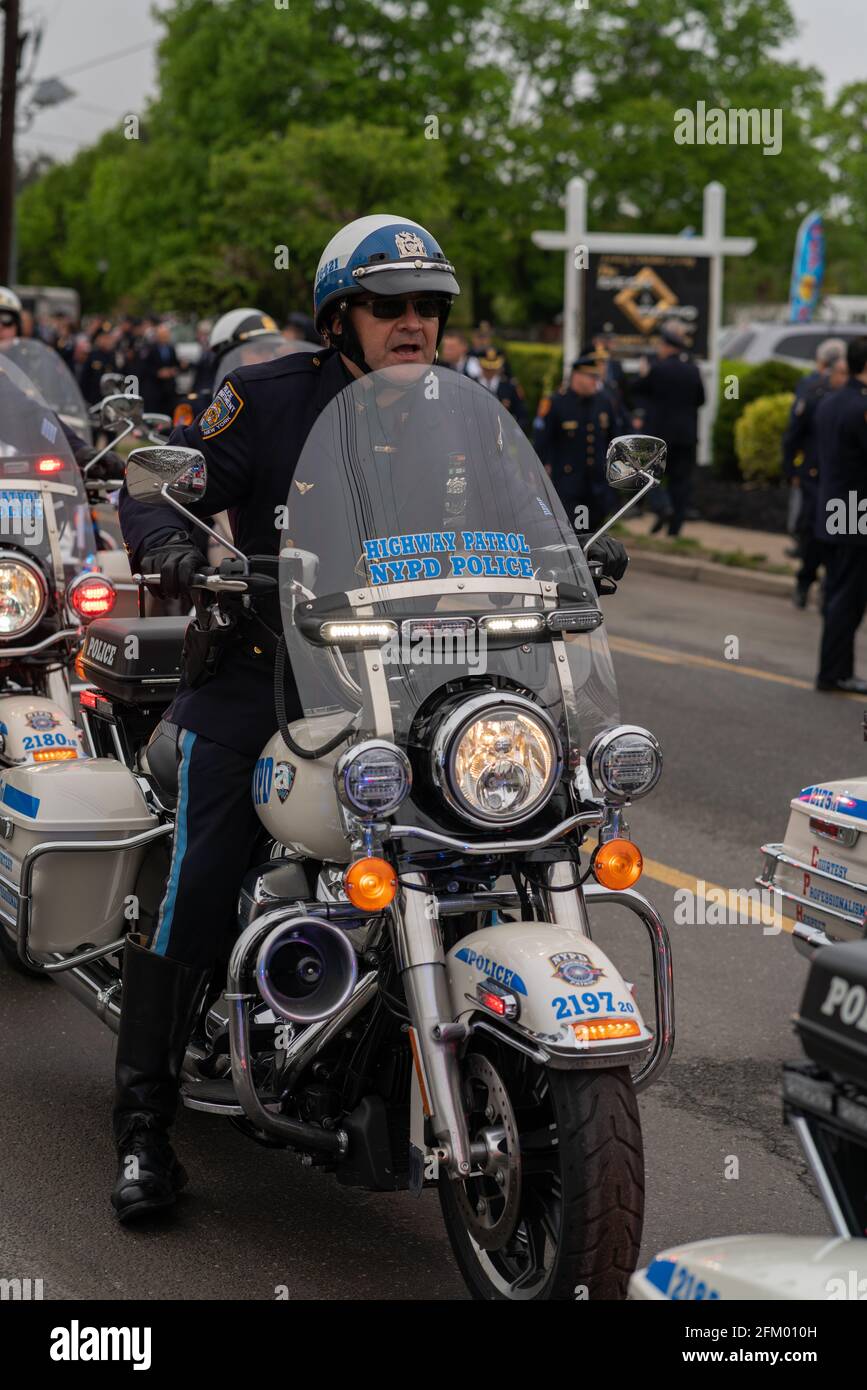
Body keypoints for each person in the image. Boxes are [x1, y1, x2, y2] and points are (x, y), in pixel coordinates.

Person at [113, 213, 627, 1224]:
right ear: (341, 314)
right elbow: (154, 478)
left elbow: (531, 512)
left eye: (428, 307)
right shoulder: (265, 396)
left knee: (507, 824)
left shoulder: (466, 411)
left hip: (424, 678)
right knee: (205, 871)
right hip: (270, 682)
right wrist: (168, 546)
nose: (414, 324)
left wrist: (577, 551)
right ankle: (142, 1124)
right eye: (390, 305)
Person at [815, 337, 867, 694]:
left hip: (835, 506)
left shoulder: (832, 400)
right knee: (848, 596)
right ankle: (834, 673)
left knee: (839, 590)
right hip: (856, 509)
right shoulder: (860, 406)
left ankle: (837, 670)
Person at [782, 338, 847, 608]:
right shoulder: (814, 391)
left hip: (843, 480)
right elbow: (794, 434)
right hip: (814, 473)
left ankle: (830, 588)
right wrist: (791, 469)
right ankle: (804, 582)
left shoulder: (853, 399)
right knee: (812, 533)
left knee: (840, 536)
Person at [537, 347, 627, 533]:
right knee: (577, 534)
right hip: (569, 484)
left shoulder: (603, 402)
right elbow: (542, 442)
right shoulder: (558, 403)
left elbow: (614, 439)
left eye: (597, 377)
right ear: (577, 377)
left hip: (597, 485)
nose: (596, 382)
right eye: (591, 377)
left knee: (595, 534)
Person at [633, 322, 706, 536]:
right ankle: (675, 528)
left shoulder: (657, 370)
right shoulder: (693, 370)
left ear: (666, 347)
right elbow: (701, 400)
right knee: (681, 481)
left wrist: (643, 374)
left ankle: (662, 506)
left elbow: (636, 390)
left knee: (648, 474)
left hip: (660, 437)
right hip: (686, 437)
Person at [476, 345, 529, 431]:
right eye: (486, 367)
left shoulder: (510, 387)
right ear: (480, 365)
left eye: (494, 367)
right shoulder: (473, 383)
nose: (490, 370)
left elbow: (523, 418)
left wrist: (511, 432)